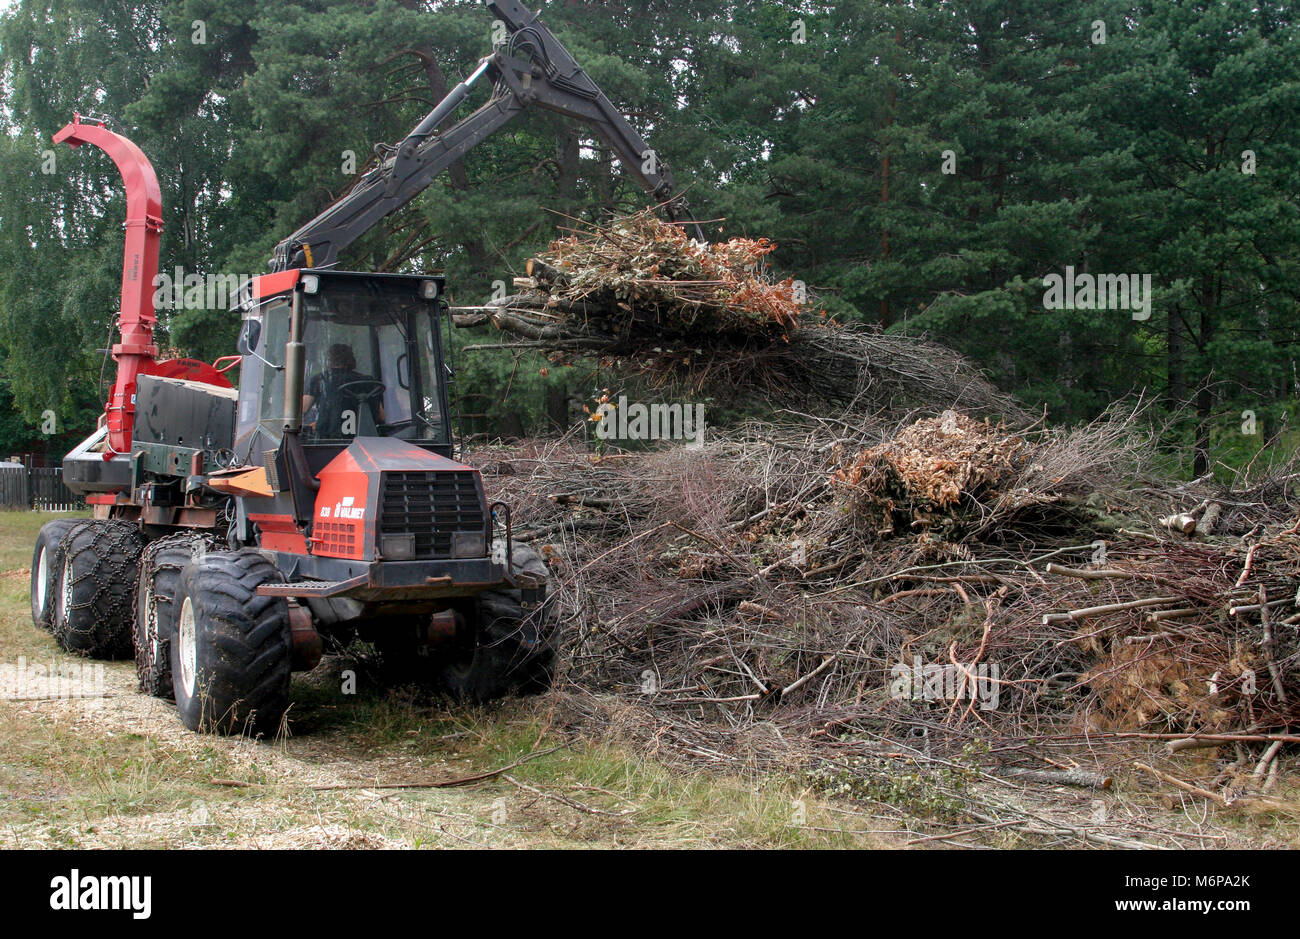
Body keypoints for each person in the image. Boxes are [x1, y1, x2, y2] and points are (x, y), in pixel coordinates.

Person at [302, 343, 386, 439]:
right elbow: (381, 416)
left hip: (327, 440)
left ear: (329, 360)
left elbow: (304, 408)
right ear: (351, 360)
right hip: (366, 441)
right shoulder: (368, 381)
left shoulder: (320, 379)